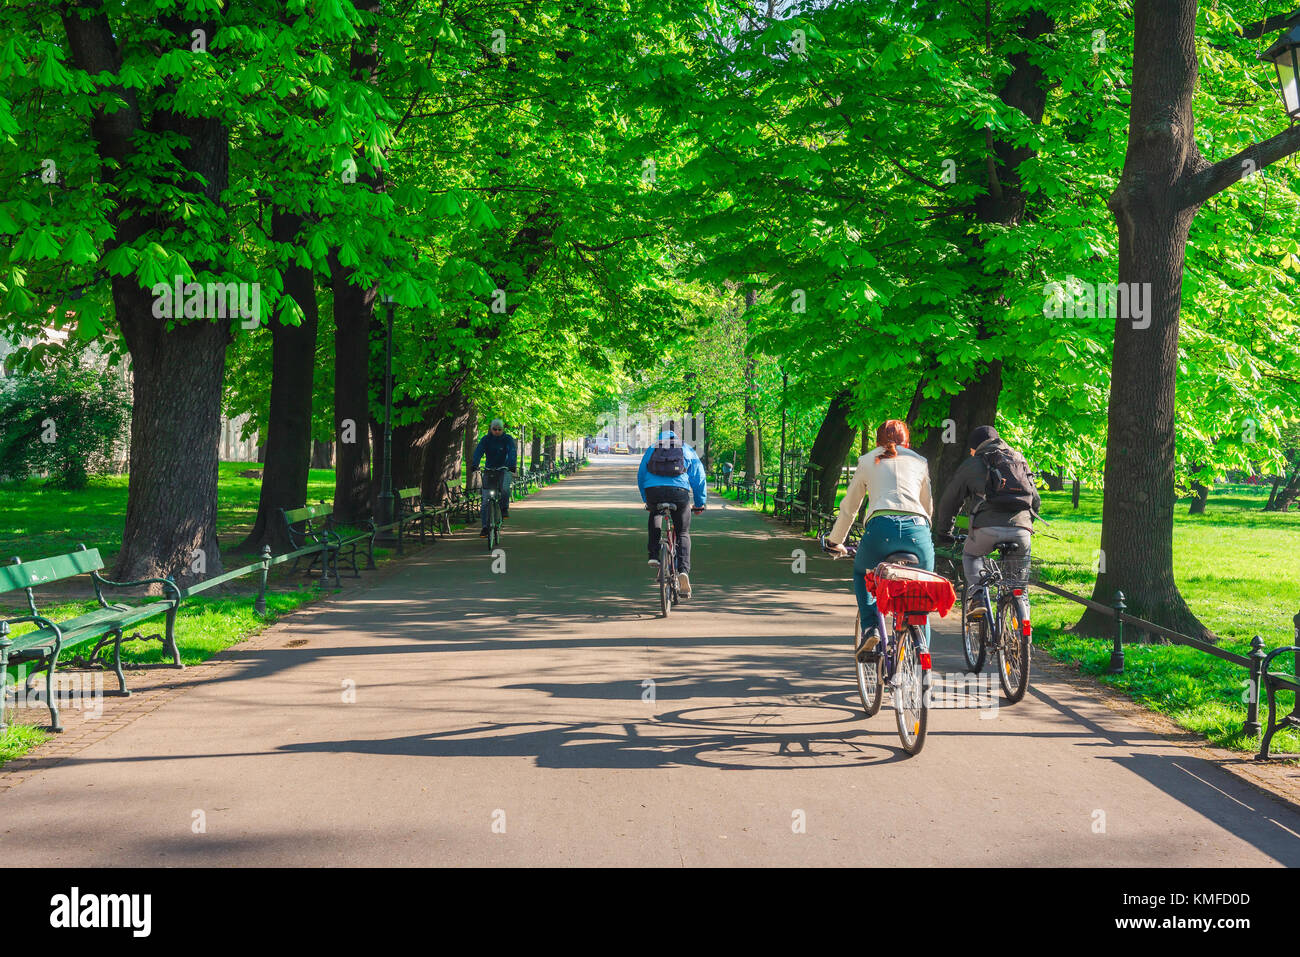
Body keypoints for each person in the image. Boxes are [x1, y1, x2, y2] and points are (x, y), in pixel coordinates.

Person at [825, 419, 934, 658]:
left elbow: (850, 507)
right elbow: (927, 507)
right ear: (908, 442)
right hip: (918, 532)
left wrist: (836, 541)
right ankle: (922, 648)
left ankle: (871, 627)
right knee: (921, 590)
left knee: (862, 573)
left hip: (880, 531)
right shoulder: (919, 461)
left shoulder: (867, 461)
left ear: (877, 442)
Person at [931, 425, 1040, 618]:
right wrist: (1026, 524)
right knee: (1018, 588)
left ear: (975, 447)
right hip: (1021, 530)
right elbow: (1035, 500)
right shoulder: (1019, 459)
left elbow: (950, 501)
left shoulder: (972, 463)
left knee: (971, 556)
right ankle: (1021, 632)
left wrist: (944, 532)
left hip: (985, 530)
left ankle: (978, 594)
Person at [637, 427, 707, 598]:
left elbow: (641, 475)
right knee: (682, 532)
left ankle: (654, 554)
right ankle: (683, 570)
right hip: (679, 492)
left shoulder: (653, 448)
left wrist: (647, 499)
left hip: (654, 491)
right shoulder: (685, 448)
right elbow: (698, 477)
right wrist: (699, 504)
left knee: (655, 514)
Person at [471, 418, 518, 537]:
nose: (497, 431)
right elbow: (478, 451)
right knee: (486, 500)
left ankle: (504, 508)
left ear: (503, 430)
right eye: (494, 429)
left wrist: (512, 465)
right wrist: (474, 464)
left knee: (505, 488)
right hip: (489, 470)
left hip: (504, 469)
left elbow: (512, 451)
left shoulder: (507, 439)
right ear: (491, 429)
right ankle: (485, 527)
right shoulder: (486, 439)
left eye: (499, 429)